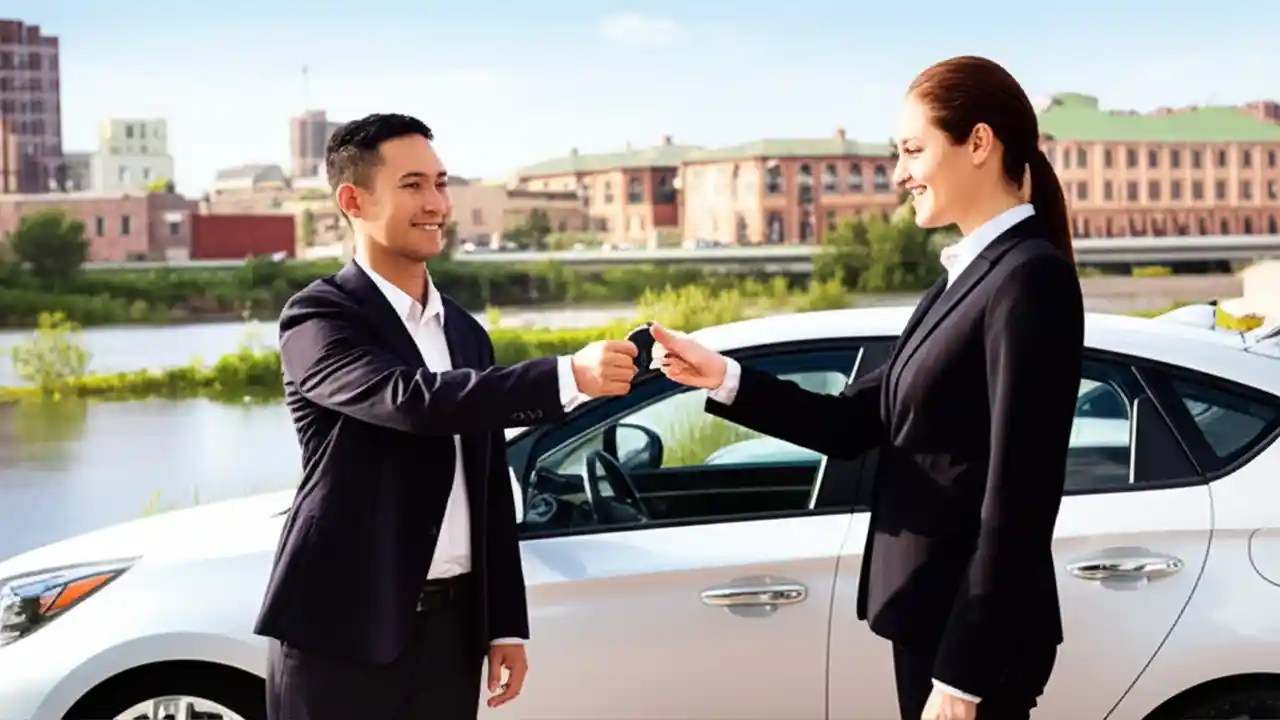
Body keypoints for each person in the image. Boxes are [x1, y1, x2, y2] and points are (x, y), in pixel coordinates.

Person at [651, 55, 1083, 720]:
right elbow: (855, 424)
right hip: (929, 620)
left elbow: (1021, 495)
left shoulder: (1028, 279)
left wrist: (963, 676)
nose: (900, 173)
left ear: (978, 143)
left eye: (913, 150)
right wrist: (723, 376)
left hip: (969, 644)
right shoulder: (966, 278)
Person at [253, 113, 639, 720]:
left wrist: (504, 624)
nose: (436, 202)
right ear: (353, 199)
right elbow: (410, 401)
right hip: (341, 631)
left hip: (452, 636)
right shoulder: (318, 317)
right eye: (412, 185)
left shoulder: (464, 331)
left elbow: (488, 489)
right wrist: (566, 377)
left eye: (440, 182)